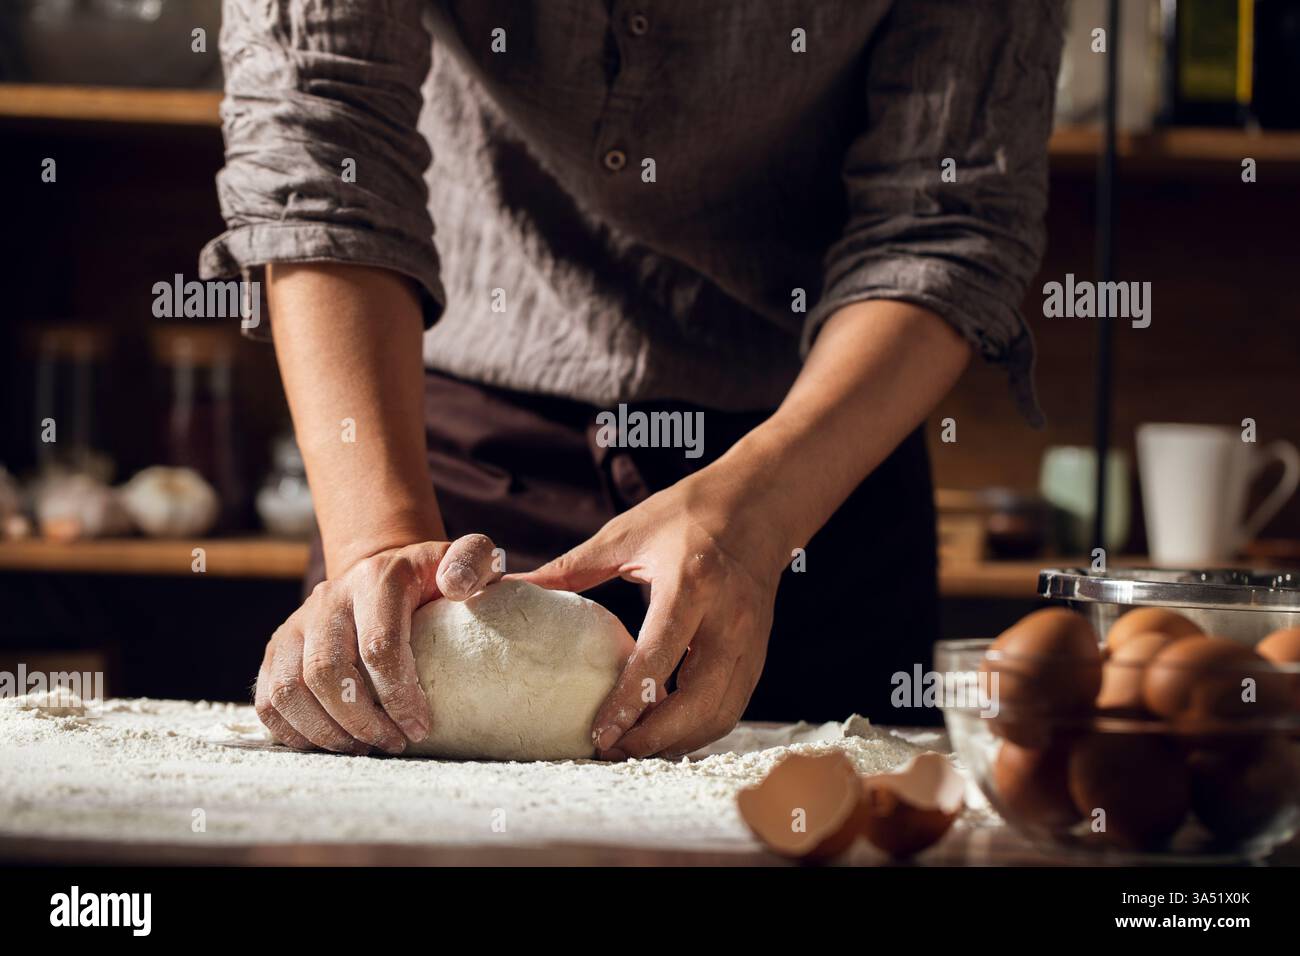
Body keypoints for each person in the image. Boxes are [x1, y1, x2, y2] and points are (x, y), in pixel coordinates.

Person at [201, 1, 1063, 760]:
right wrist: (375, 541)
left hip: (809, 478)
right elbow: (319, 127)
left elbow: (946, 216)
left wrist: (758, 518)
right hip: (442, 452)